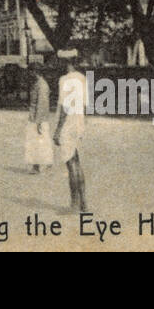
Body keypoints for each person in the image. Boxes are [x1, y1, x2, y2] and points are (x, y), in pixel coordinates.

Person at [53, 49, 88, 211]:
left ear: (66, 62)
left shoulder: (64, 80)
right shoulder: (82, 78)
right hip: (79, 121)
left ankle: (74, 204)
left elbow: (65, 107)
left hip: (68, 123)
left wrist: (58, 130)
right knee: (77, 162)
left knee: (70, 164)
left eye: (61, 61)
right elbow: (85, 105)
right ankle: (84, 203)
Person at [25, 68, 53, 173]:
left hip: (39, 119)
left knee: (42, 141)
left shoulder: (42, 85)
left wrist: (38, 121)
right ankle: (36, 165)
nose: (29, 74)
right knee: (34, 142)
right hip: (35, 117)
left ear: (35, 72)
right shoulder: (37, 83)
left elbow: (42, 103)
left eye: (31, 72)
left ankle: (46, 165)